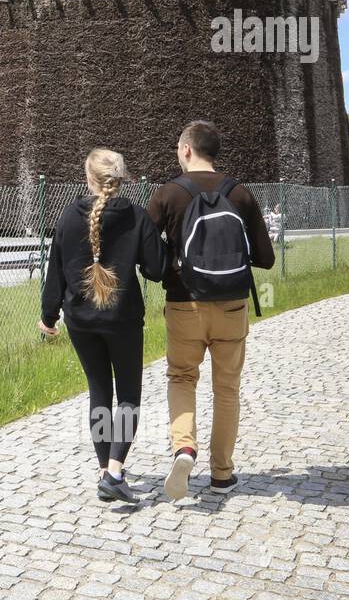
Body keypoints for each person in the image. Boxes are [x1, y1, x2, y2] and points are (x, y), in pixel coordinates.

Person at [147, 121, 275, 500]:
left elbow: (149, 259)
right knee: (226, 389)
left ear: (187, 149)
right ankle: (222, 474)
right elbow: (265, 258)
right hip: (232, 307)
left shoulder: (168, 194)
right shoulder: (239, 193)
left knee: (182, 378)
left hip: (184, 304)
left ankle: (184, 448)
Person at [39, 149, 166, 504]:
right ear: (120, 178)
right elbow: (156, 269)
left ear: (89, 178)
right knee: (127, 395)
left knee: (99, 392)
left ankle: (103, 471)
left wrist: (48, 317)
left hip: (80, 320)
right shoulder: (137, 217)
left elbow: (55, 273)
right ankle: (113, 471)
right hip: (122, 320)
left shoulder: (67, 216)